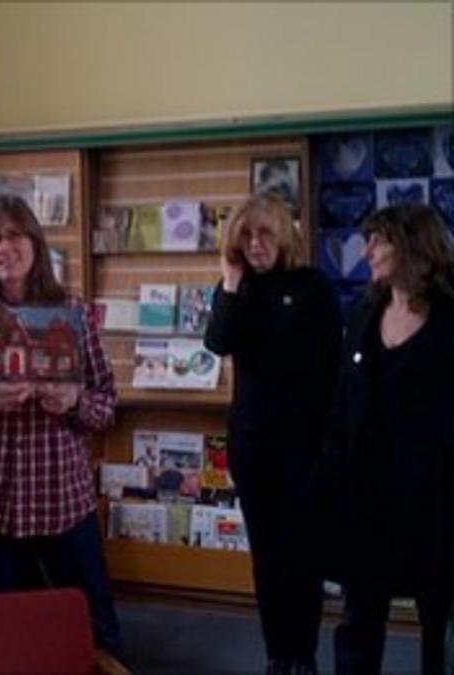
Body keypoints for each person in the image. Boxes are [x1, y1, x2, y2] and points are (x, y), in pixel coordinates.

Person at [0, 194, 125, 660]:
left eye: (15, 235)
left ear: (36, 244)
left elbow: (106, 406)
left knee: (92, 629)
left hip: (60, 502)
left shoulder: (73, 313)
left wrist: (73, 401)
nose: (5, 248)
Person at [203, 192, 341, 675]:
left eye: (264, 233)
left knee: (302, 557)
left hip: (304, 447)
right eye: (246, 235)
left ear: (283, 235)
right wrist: (230, 279)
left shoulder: (313, 286)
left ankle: (302, 655)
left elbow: (331, 371)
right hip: (253, 445)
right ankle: (276, 654)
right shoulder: (238, 289)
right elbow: (217, 341)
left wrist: (329, 447)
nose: (255, 243)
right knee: (266, 557)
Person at [321, 205, 454, 675]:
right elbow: (343, 400)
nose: (368, 250)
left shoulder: (449, 317)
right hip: (368, 499)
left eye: (380, 240)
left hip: (435, 502)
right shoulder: (364, 309)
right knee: (359, 621)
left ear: (414, 247)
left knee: (439, 623)